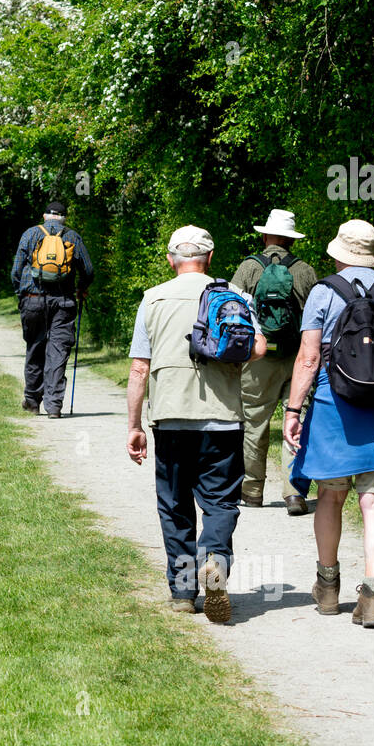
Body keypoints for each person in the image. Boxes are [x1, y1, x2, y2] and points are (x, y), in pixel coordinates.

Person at [282, 219, 374, 629]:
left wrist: (293, 411)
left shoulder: (323, 293)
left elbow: (308, 358)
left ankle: (328, 589)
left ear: (339, 253)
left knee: (329, 496)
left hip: (333, 405)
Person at [127, 226, 266, 623]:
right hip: (223, 418)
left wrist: (134, 424)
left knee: (174, 505)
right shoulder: (234, 296)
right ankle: (215, 561)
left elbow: (140, 368)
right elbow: (257, 347)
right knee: (221, 501)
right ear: (210, 257)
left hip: (169, 417)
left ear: (171, 259)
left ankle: (183, 592)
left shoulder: (152, 298)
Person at [229, 209, 319, 514]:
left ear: (265, 235)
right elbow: (317, 318)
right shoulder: (305, 271)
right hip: (298, 358)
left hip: (258, 357)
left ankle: (252, 491)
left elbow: (231, 312)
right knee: (298, 420)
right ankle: (294, 492)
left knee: (254, 422)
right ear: (291, 240)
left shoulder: (248, 268)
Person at [9, 201, 95, 417]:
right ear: (64, 217)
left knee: (35, 347)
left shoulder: (30, 234)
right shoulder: (72, 237)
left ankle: (32, 400)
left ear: (44, 215)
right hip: (63, 302)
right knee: (58, 352)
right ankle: (54, 406)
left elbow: (16, 271)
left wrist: (22, 295)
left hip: (33, 300)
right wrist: (81, 288)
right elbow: (88, 270)